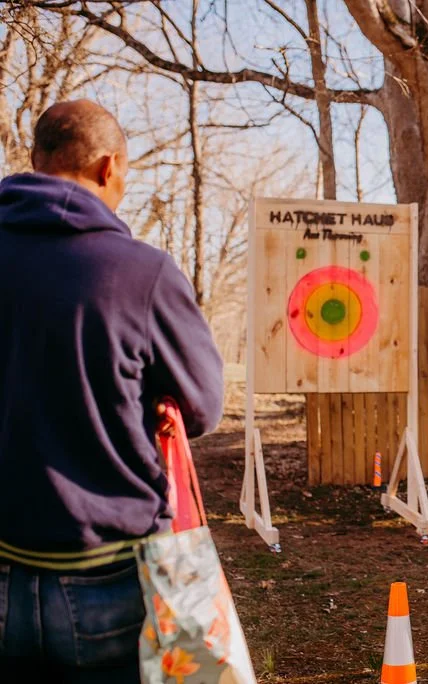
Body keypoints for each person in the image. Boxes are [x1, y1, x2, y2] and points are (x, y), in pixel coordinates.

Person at [0, 100, 224, 681]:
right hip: (109, 576)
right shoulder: (140, 272)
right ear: (108, 167)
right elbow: (202, 406)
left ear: (35, 161)